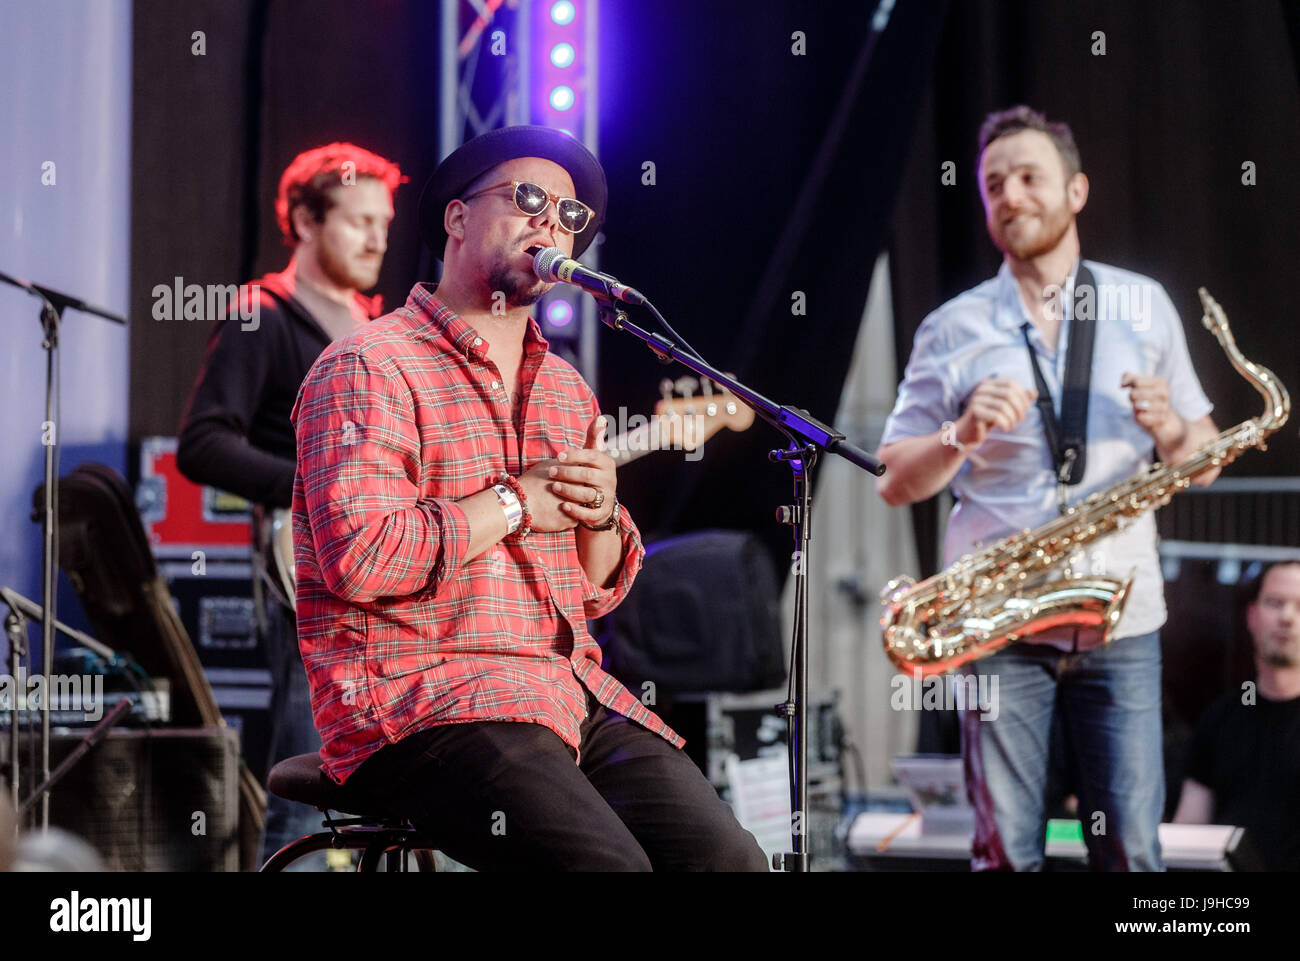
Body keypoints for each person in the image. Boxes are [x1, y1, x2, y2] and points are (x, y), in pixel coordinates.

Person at [290, 125, 768, 871]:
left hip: (559, 689)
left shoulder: (566, 388)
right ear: (456, 217)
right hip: (418, 695)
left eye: (570, 216)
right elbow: (364, 558)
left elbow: (593, 590)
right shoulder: (367, 365)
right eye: (529, 199)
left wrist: (601, 515)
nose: (552, 223)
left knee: (729, 861)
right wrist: (514, 504)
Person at [876, 105, 1221, 871]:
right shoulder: (950, 327)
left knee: (1132, 851)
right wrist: (959, 434)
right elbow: (896, 483)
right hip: (998, 627)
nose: (1011, 195)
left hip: (1120, 617)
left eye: (1031, 176)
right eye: (994, 183)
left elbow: (1203, 458)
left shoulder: (1144, 304)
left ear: (1077, 191)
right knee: (1003, 855)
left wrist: (1171, 430)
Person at [177, 142, 403, 867]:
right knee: (309, 765)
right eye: (358, 220)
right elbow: (203, 442)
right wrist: (312, 488)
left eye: (384, 223)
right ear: (305, 220)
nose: (377, 238)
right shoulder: (261, 314)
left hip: (382, 573)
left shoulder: (378, 330)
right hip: (308, 568)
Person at [1174, 562, 1300, 870]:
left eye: (1299, 606)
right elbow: (1189, 830)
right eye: (1275, 603)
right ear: (1252, 616)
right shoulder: (1220, 719)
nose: (1286, 617)